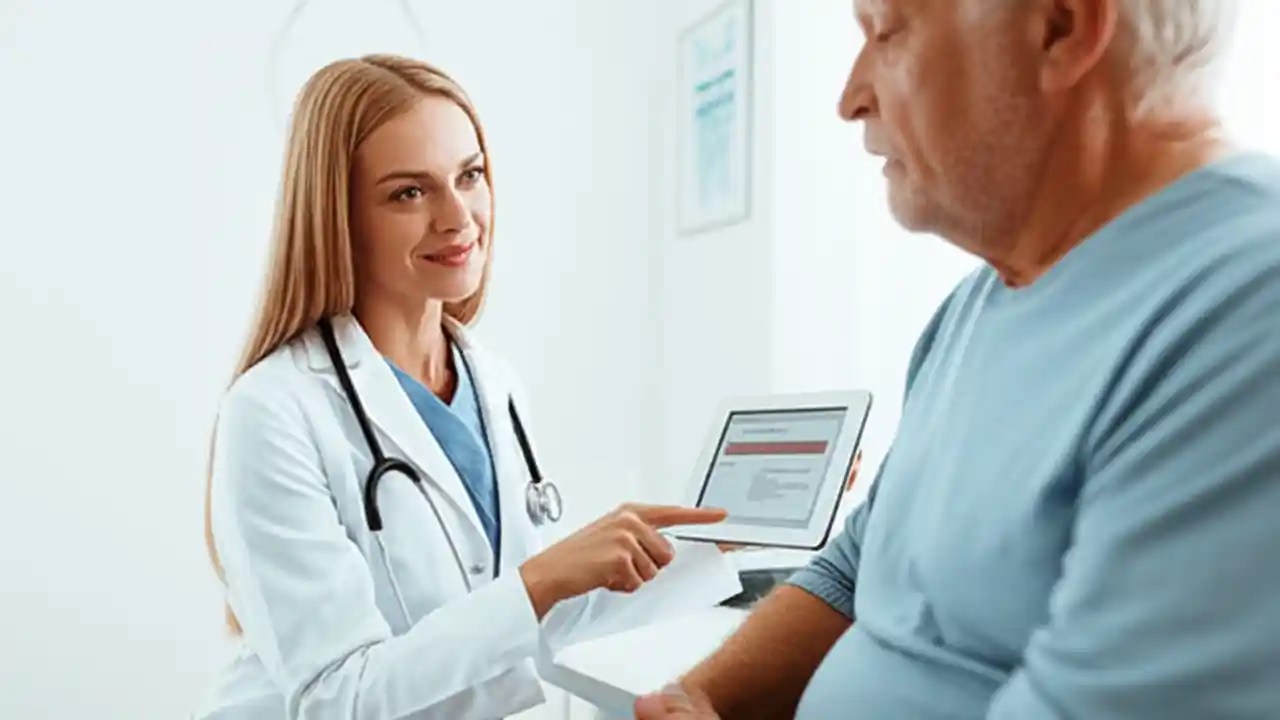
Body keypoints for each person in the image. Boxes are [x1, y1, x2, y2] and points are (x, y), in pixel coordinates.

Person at [637, 0, 1280, 717]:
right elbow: (857, 570)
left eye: (888, 32)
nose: (851, 98)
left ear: (1061, 28)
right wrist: (696, 698)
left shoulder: (1248, 311)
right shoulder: (978, 302)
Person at [195, 54, 732, 719]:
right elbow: (337, 697)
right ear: (338, 215)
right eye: (409, 193)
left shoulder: (492, 383)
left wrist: (720, 538)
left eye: (470, 176)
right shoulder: (274, 410)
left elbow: (528, 625)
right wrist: (542, 579)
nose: (458, 217)